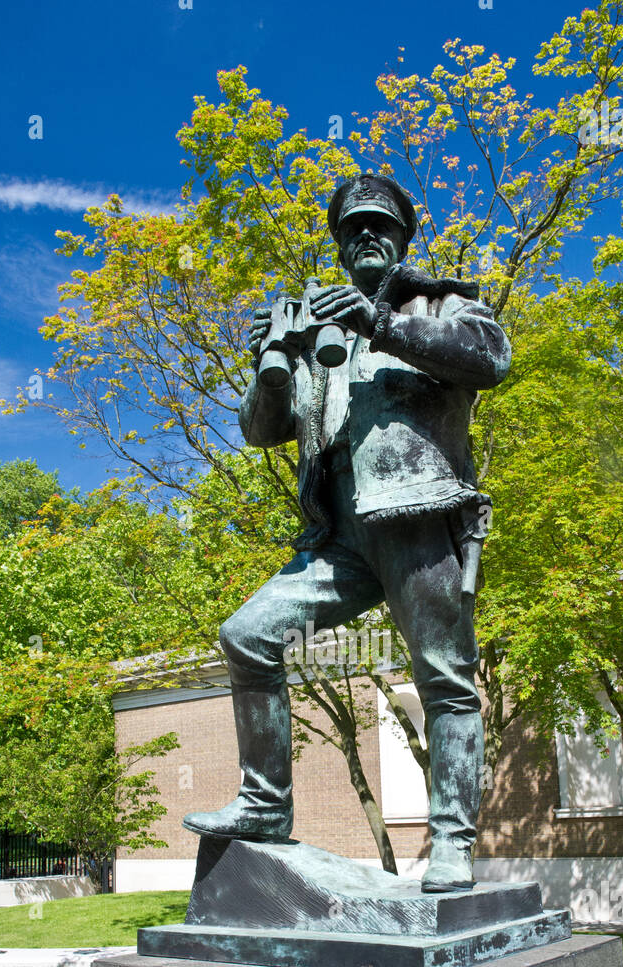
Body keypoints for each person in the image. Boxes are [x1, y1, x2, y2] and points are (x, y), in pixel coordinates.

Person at [183, 175, 511, 891]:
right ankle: (265, 806)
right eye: (352, 227)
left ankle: (452, 843)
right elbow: (263, 431)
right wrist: (272, 371)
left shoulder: (442, 303)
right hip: (337, 533)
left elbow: (490, 360)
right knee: (247, 635)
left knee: (445, 679)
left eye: (379, 225)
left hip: (418, 515)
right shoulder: (314, 321)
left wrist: (378, 322)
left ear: (402, 236)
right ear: (336, 243)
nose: (366, 235)